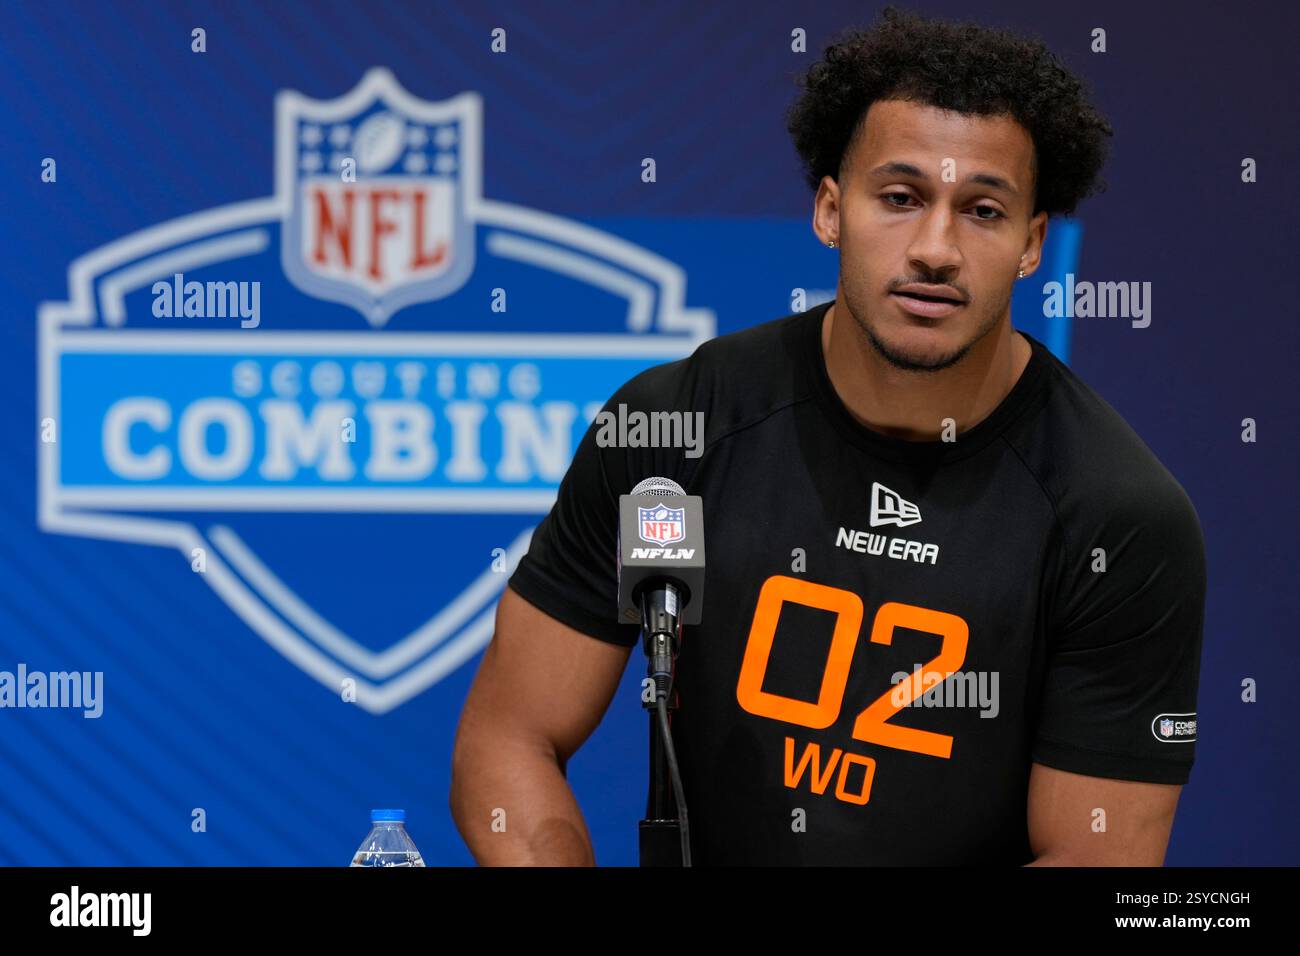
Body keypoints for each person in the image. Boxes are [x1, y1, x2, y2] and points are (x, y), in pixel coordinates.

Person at [450, 6, 1205, 865]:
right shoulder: (675, 431)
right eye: (900, 198)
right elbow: (508, 740)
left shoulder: (1117, 517)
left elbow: (1098, 857)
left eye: (983, 211)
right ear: (830, 210)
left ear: (1032, 244)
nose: (936, 249)